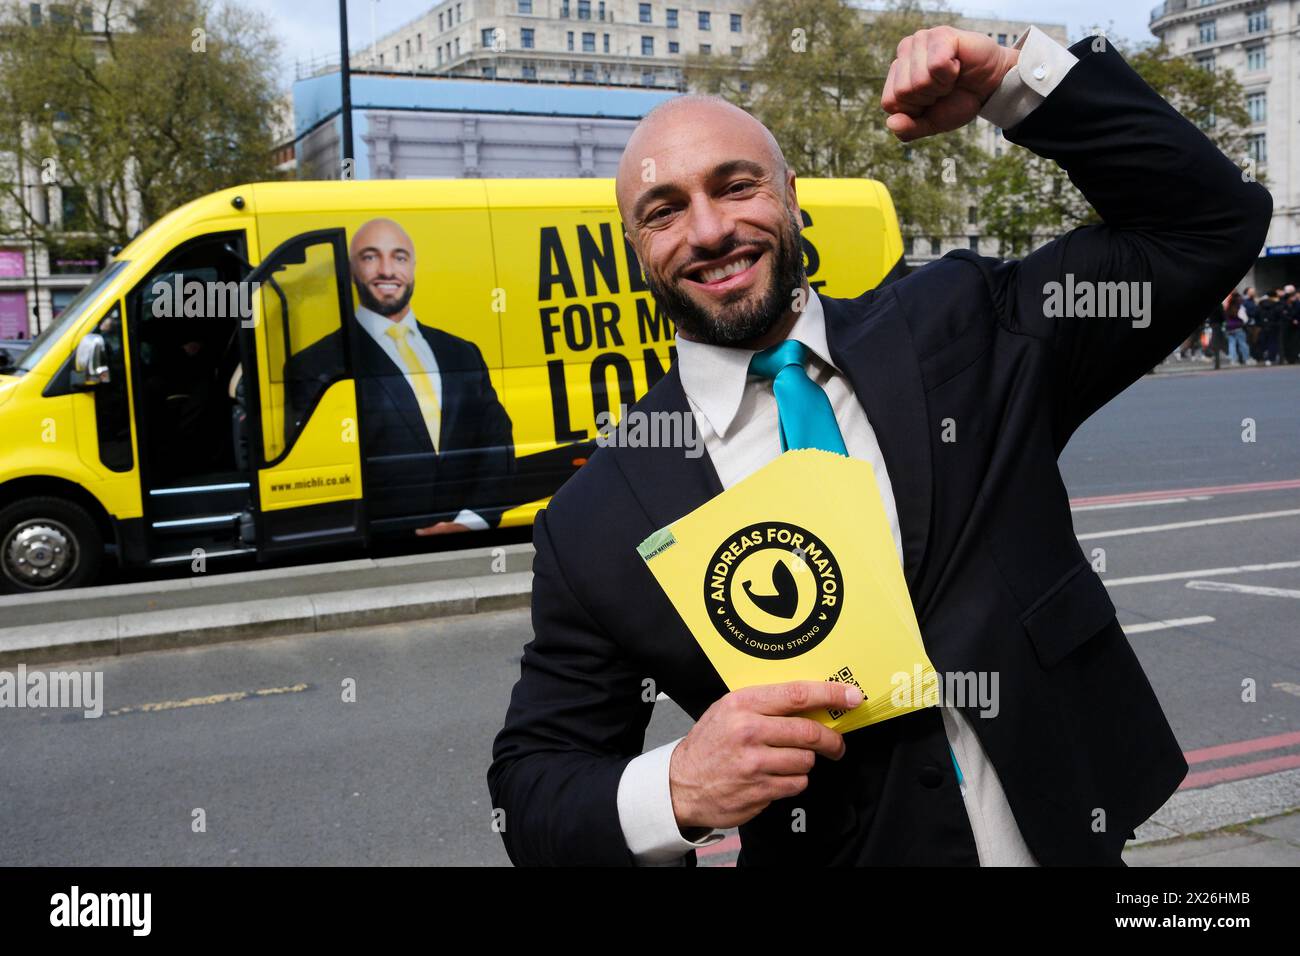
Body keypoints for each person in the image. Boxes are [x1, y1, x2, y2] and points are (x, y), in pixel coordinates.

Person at [487, 26, 1271, 866]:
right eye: (664, 210)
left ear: (791, 196)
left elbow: (1204, 224)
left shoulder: (965, 324)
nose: (709, 230)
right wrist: (677, 785)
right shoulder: (595, 519)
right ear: (637, 248)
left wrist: (1016, 84)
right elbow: (533, 790)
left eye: (736, 185)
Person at [286, 218, 515, 531]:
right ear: (352, 269)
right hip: (383, 545)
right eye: (370, 257)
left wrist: (469, 522)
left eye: (399, 257)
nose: (387, 270)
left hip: (466, 540)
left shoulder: (462, 353)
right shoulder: (316, 363)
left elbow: (496, 441)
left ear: (414, 266)